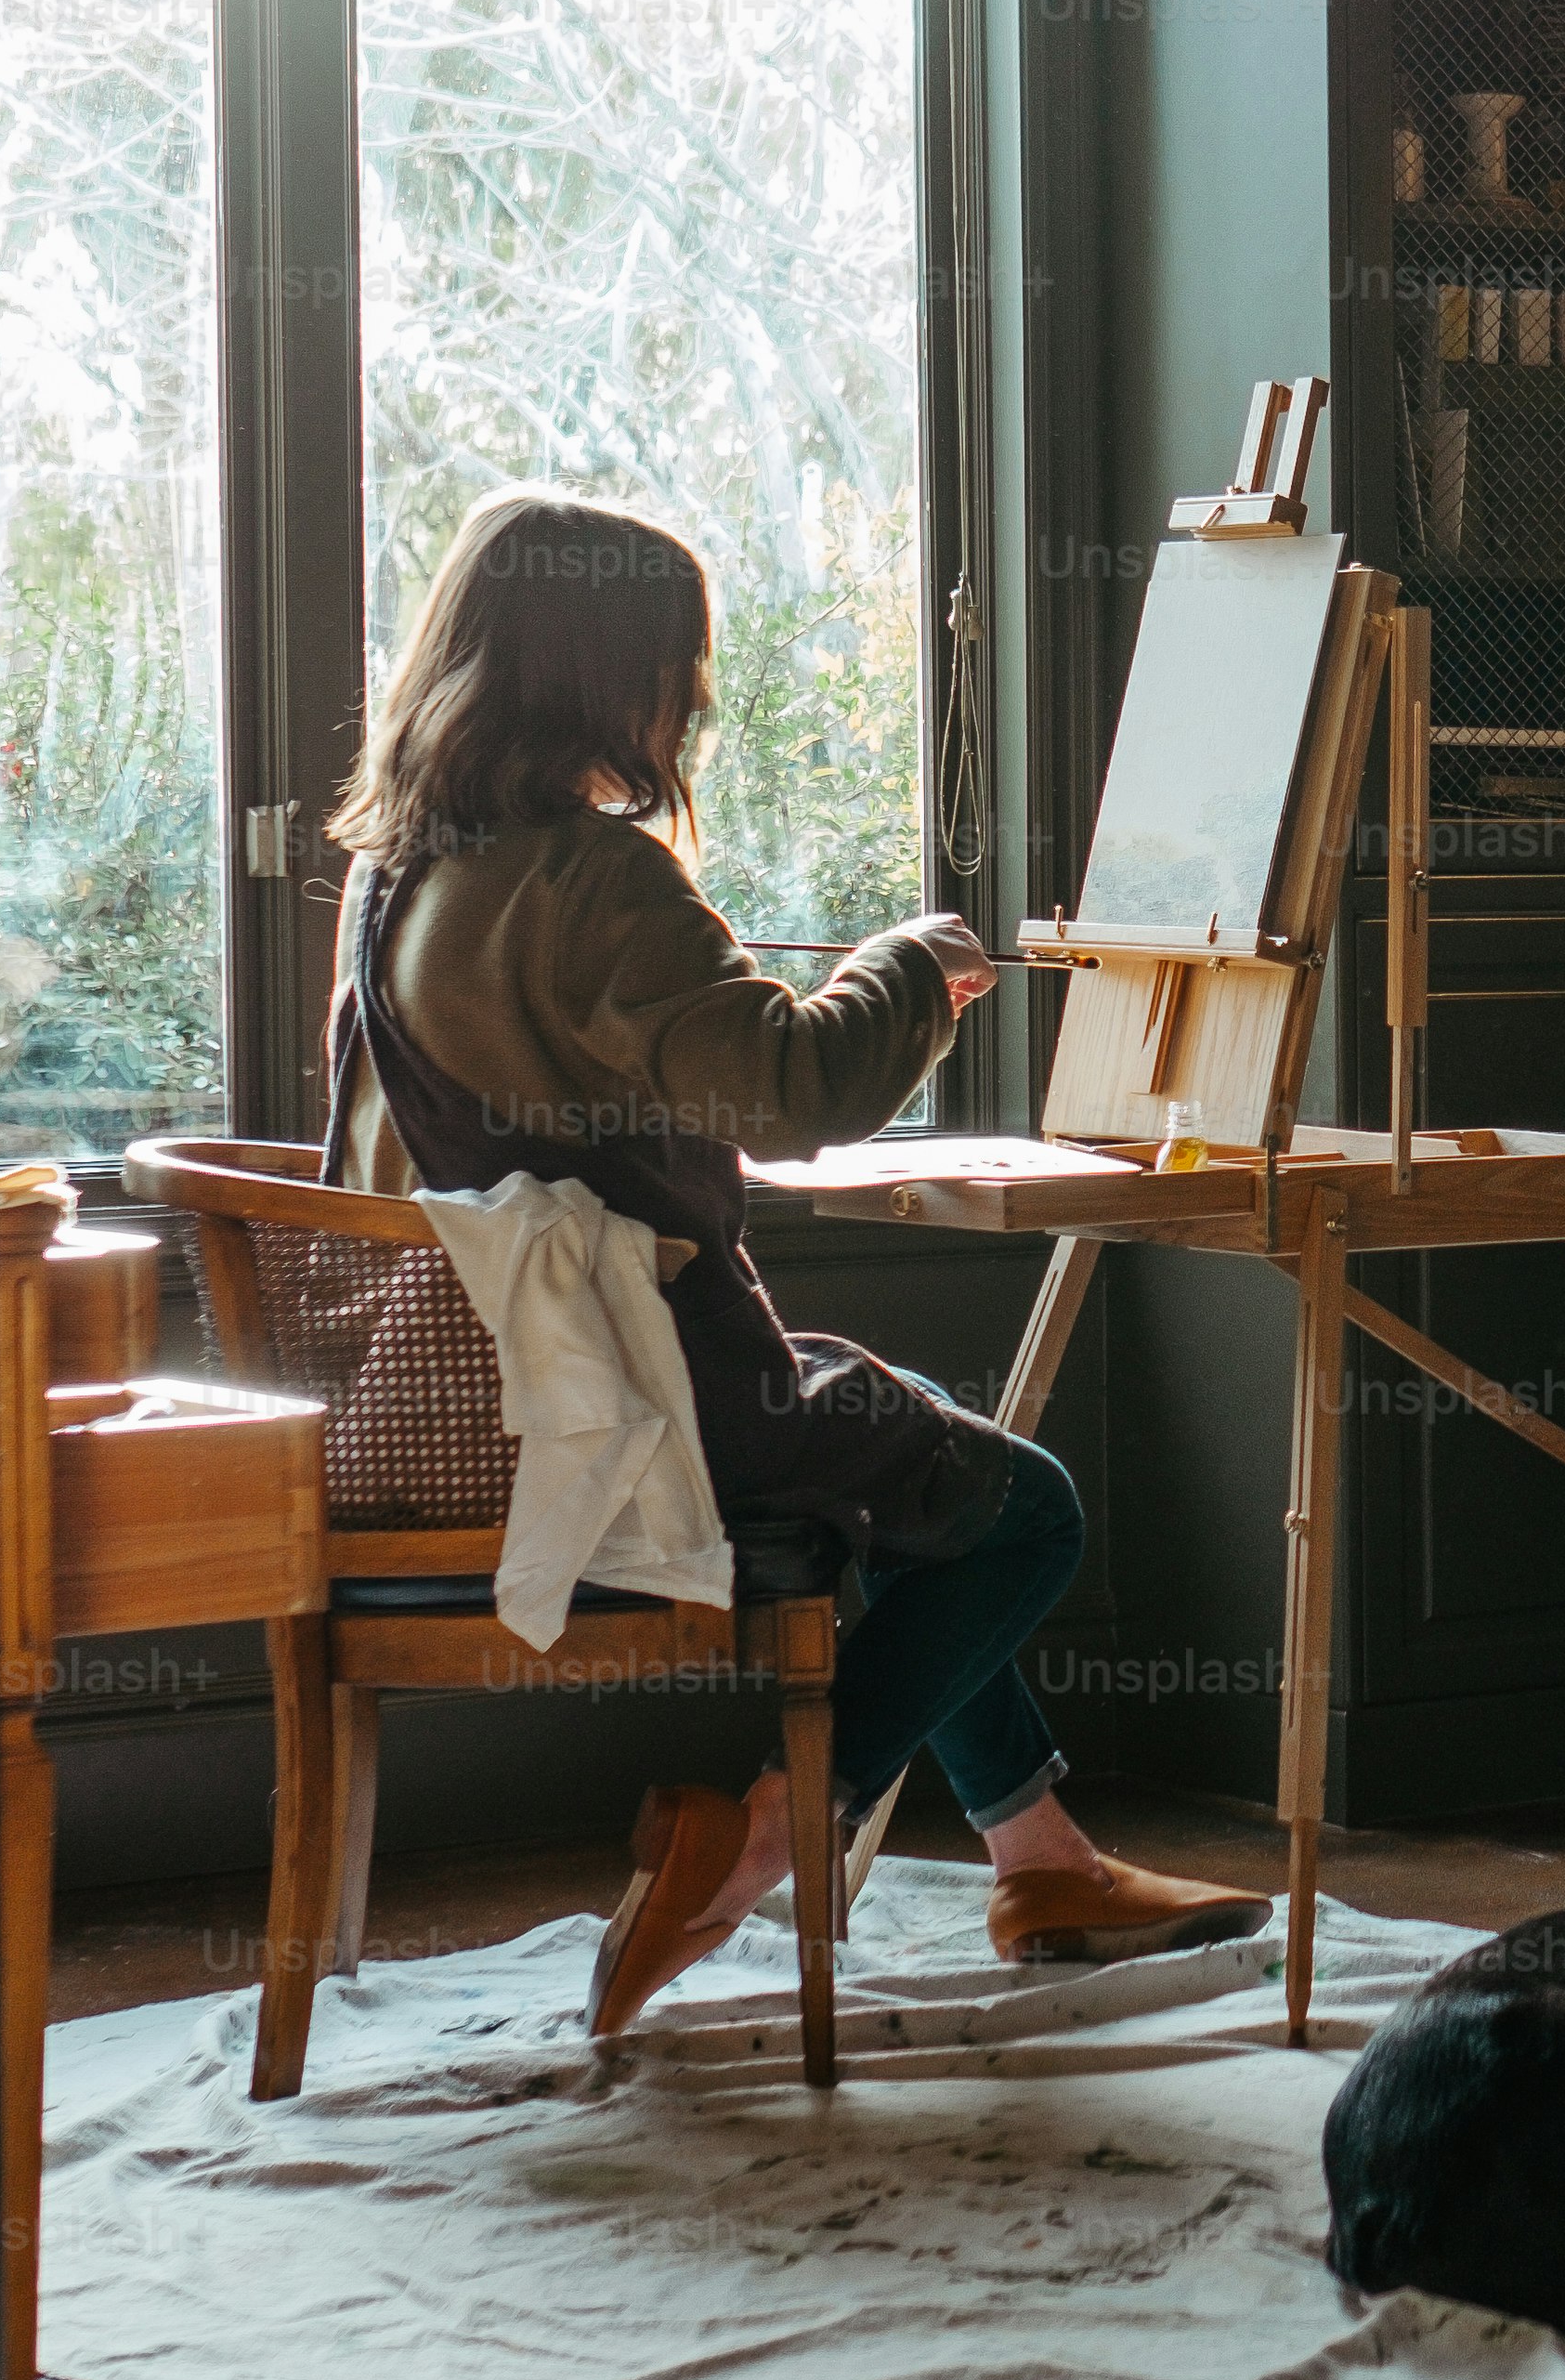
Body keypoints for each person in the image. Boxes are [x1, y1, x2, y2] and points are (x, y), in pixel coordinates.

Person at [320, 489, 1268, 2036]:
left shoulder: (393, 879)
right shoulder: (586, 879)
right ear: (605, 669)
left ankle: (1039, 1858)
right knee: (1022, 1509)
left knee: (905, 1469)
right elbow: (800, 1092)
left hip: (456, 1405)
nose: (693, 697)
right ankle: (763, 1837)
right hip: (611, 1410)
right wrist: (915, 962)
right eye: (680, 665)